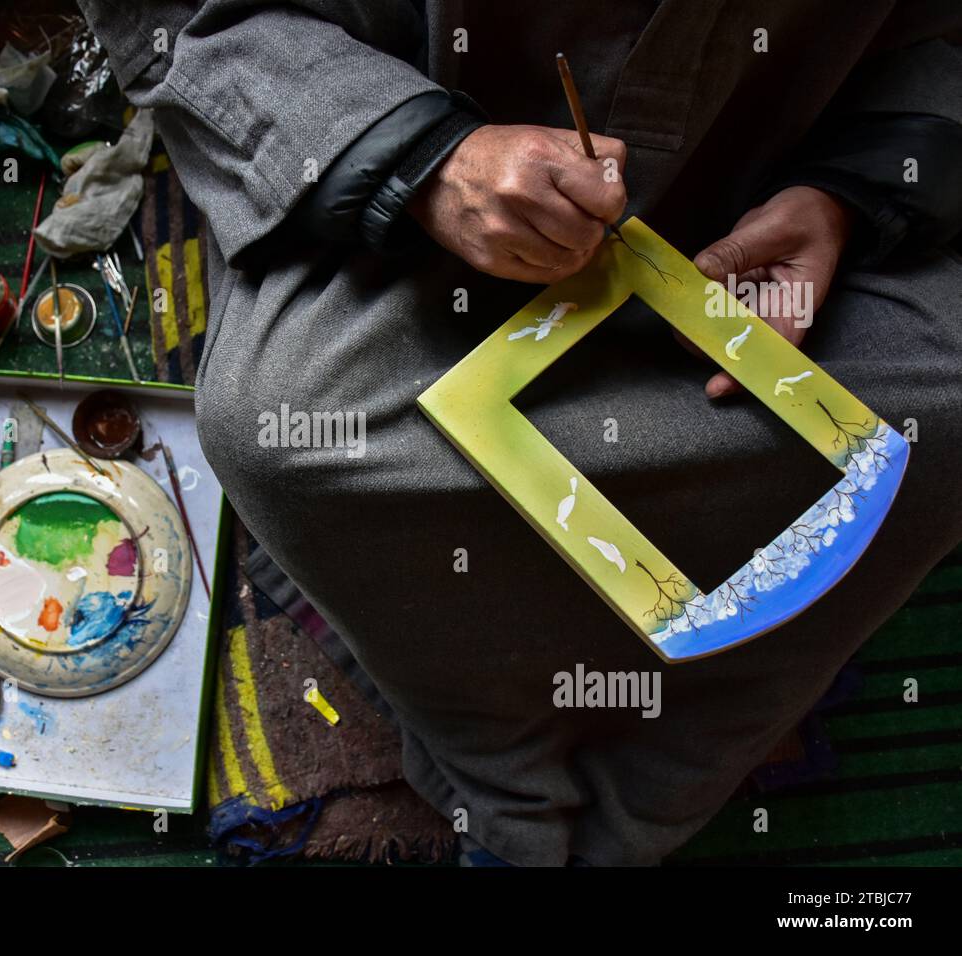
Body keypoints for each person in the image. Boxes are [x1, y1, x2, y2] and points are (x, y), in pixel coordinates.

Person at [79, 0, 962, 864]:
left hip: (778, 204)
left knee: (936, 419)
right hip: (412, 208)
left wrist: (853, 189)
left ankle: (664, 771)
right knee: (287, 431)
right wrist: (422, 158)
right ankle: (501, 768)